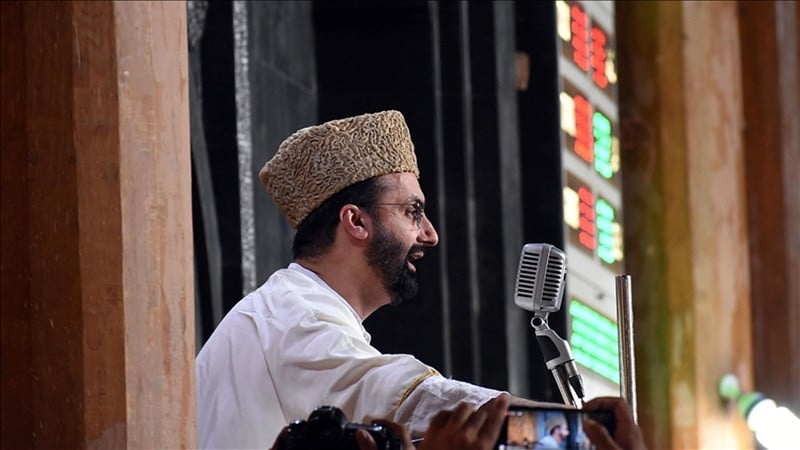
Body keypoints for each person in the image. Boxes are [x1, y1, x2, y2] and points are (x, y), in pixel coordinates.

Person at [196, 110, 549, 449]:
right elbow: (415, 401)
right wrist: (579, 432)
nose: (430, 234)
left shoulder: (295, 312)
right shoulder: (293, 318)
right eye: (413, 212)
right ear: (356, 222)